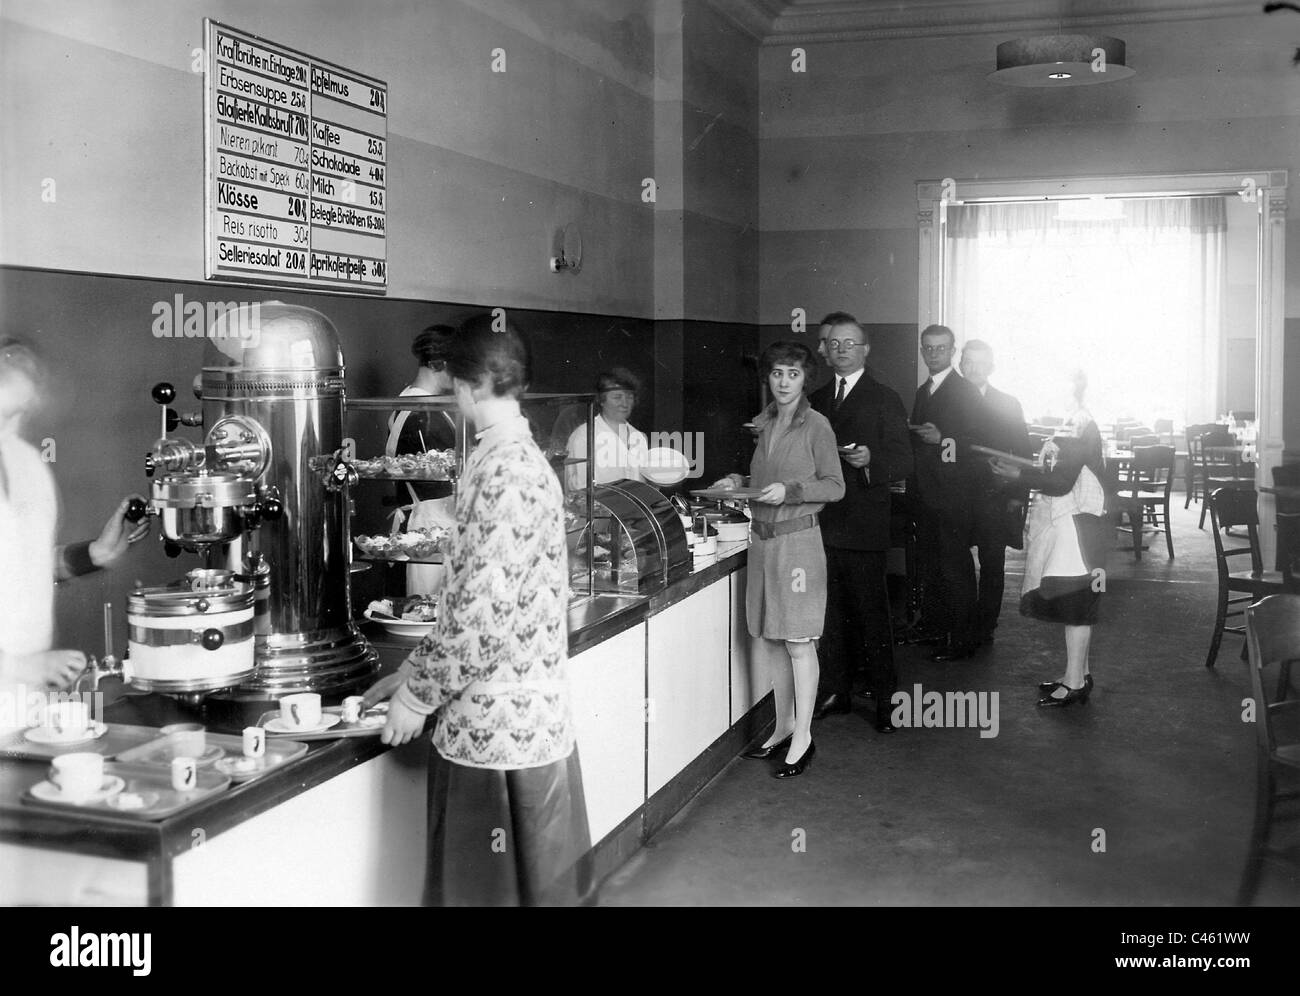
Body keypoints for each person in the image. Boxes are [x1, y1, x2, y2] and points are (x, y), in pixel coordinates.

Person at [376, 313, 592, 906]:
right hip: (525, 723)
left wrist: (417, 695)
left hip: (496, 736)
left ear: (463, 384)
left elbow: (479, 621)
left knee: (485, 892)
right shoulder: (518, 458)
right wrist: (413, 665)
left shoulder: (500, 470)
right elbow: (483, 599)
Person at [712, 341, 844, 777]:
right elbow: (765, 480)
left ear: (806, 378)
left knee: (798, 642)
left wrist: (791, 492)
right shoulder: (764, 423)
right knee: (770, 639)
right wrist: (738, 480)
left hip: (798, 546)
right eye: (777, 374)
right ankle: (783, 726)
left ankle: (804, 737)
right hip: (762, 542)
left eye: (793, 373)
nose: (784, 382)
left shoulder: (817, 425)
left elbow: (833, 485)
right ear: (767, 379)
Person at [0, 336, 148, 693]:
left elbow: (22, 566)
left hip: (25, 697)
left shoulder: (27, 464)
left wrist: (94, 554)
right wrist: (14, 666)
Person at [808, 314, 913, 732]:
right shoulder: (814, 399)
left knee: (873, 615)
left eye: (850, 343)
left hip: (864, 524)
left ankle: (889, 700)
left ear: (866, 349)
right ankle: (836, 690)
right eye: (834, 343)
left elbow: (905, 460)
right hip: (821, 523)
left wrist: (872, 461)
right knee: (830, 615)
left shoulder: (885, 398)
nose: (841, 349)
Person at [989, 371, 1106, 707]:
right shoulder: (1074, 420)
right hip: (1073, 521)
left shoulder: (1079, 421)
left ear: (1075, 390)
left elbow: (1062, 481)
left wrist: (1019, 474)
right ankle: (1078, 675)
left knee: (1077, 604)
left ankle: (1074, 683)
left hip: (1078, 522)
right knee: (1076, 602)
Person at [910, 324, 988, 661]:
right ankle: (936, 629)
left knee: (955, 567)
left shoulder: (966, 391)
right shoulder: (922, 391)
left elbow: (974, 445)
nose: (934, 354)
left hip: (955, 496)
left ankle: (961, 639)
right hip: (926, 495)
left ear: (952, 351)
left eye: (941, 348)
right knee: (932, 565)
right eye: (928, 348)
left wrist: (943, 440)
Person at [960, 340, 1032, 646]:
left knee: (992, 563)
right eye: (969, 362)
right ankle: (959, 623)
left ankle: (985, 625)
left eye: (981, 363)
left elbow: (1024, 452)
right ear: (961, 364)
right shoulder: (946, 399)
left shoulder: (1008, 403)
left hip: (995, 497)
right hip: (956, 497)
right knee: (955, 564)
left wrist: (1017, 495)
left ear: (992, 367)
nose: (974, 368)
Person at [386, 325, 458, 595]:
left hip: (431, 524)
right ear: (440, 364)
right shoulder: (422, 413)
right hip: (429, 526)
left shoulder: (412, 402)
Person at [566, 367, 648, 489]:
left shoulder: (639, 437)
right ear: (601, 401)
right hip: (600, 507)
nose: (625, 403)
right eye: (617, 397)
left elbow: (643, 485)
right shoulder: (584, 436)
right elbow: (579, 489)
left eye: (629, 397)